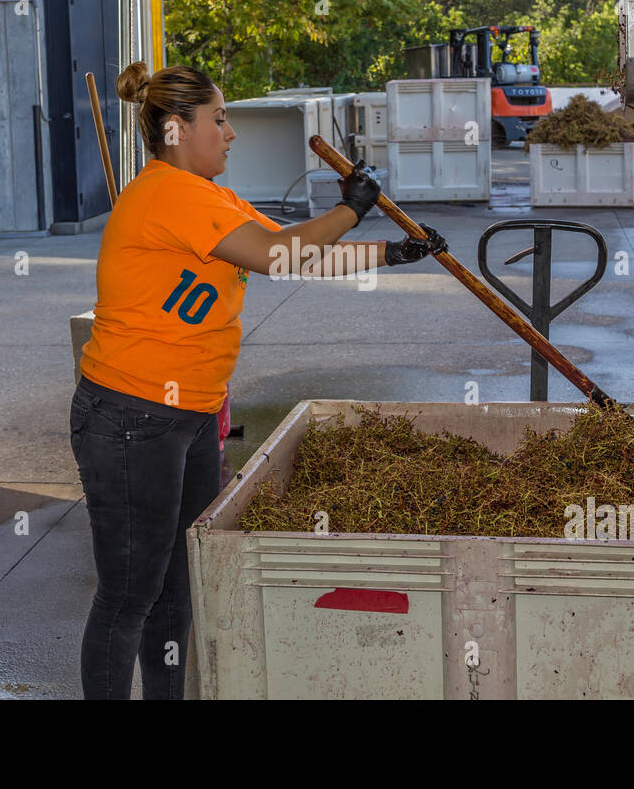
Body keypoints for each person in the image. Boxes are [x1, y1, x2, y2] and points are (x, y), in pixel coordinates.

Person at [70, 61, 447, 699]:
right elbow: (279, 257)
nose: (231, 133)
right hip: (130, 416)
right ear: (174, 128)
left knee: (172, 588)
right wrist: (351, 211)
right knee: (129, 592)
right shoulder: (168, 193)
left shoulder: (210, 196)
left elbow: (290, 248)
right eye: (218, 118)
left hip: (185, 413)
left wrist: (392, 251)